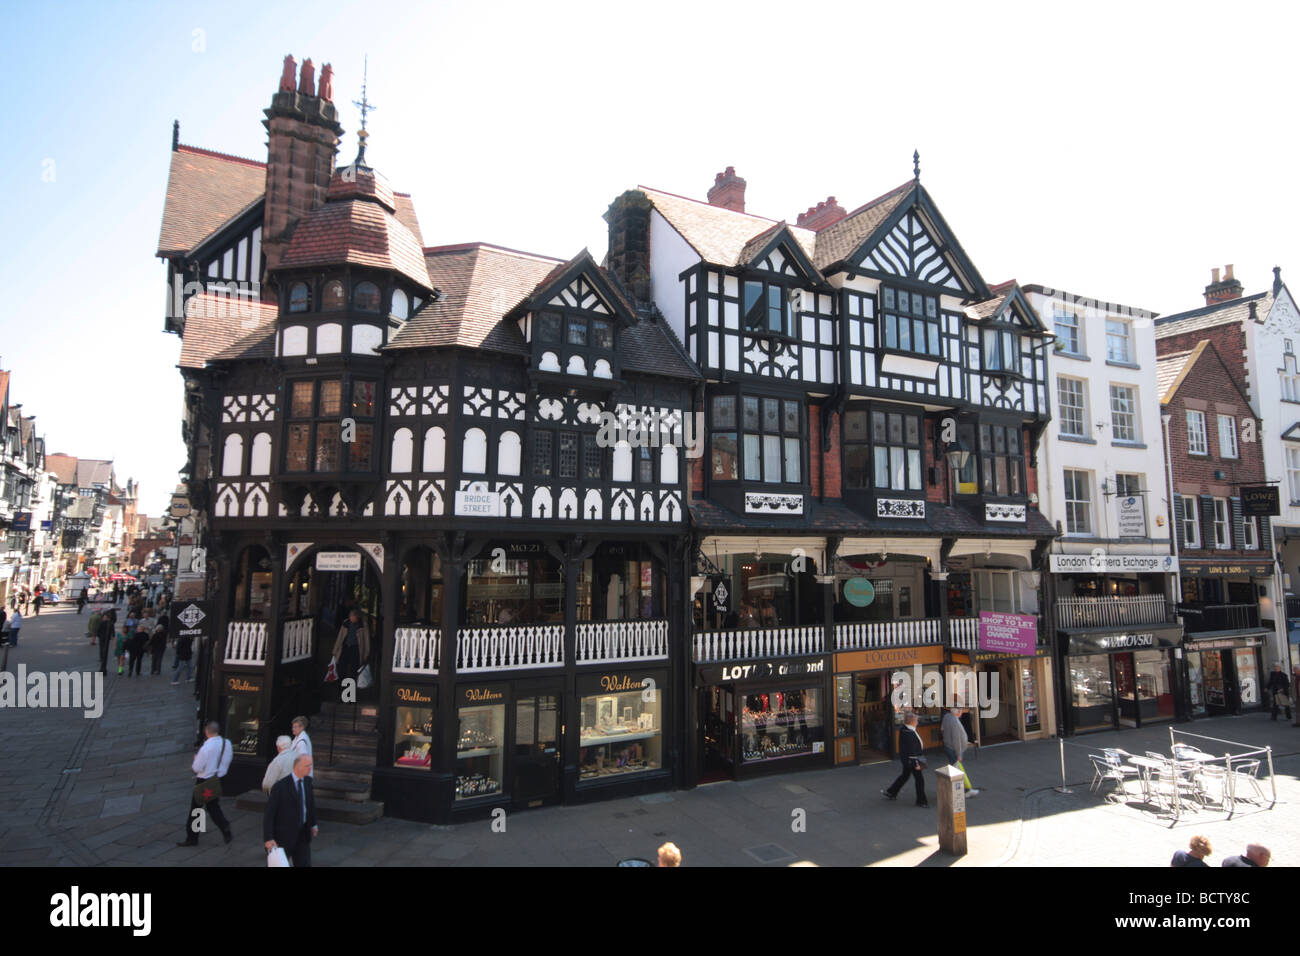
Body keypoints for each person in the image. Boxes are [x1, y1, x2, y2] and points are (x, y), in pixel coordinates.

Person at [177, 721, 233, 847]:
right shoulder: (226, 743)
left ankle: (193, 837)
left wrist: (196, 759)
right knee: (213, 806)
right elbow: (227, 760)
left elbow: (196, 768)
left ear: (207, 732)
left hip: (204, 781)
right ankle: (224, 826)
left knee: (196, 809)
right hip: (218, 779)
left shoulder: (206, 748)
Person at [264, 754, 318, 866]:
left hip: (303, 834)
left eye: (311, 765)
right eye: (307, 766)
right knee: (278, 864)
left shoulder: (308, 782)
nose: (310, 768)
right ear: (298, 767)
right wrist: (268, 837)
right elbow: (269, 814)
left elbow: (310, 805)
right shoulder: (280, 786)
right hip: (284, 836)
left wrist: (313, 824)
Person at [882, 711, 929, 807]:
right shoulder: (909, 733)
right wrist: (917, 763)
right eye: (916, 720)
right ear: (912, 722)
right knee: (919, 780)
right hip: (912, 760)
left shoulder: (905, 730)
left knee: (905, 775)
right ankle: (921, 801)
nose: (917, 722)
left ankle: (892, 791)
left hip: (907, 760)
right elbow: (912, 750)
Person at [941, 707, 980, 797]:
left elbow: (942, 729)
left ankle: (962, 790)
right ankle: (965, 790)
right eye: (961, 710)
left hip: (948, 747)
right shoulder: (954, 722)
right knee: (957, 771)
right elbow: (956, 740)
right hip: (953, 749)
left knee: (956, 770)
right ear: (958, 712)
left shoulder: (947, 716)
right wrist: (959, 754)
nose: (962, 712)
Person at [331, 608, 371, 688]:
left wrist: (366, 653)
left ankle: (350, 693)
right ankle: (342, 690)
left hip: (356, 649)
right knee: (342, 669)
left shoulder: (363, 625)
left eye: (353, 616)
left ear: (357, 617)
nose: (351, 618)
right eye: (350, 616)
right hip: (345, 648)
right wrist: (335, 650)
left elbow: (366, 640)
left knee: (353, 671)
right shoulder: (346, 623)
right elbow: (340, 637)